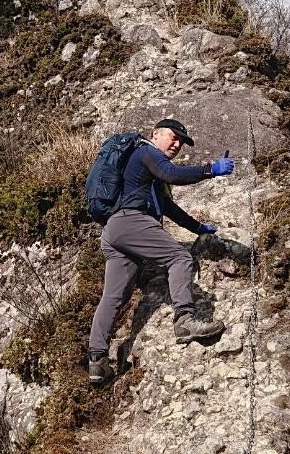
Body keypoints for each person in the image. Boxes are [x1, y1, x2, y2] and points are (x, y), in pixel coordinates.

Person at [87, 118, 235, 384]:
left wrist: (197, 227)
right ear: (155, 134)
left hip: (115, 231)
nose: (177, 144)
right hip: (132, 222)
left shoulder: (147, 172)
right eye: (173, 137)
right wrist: (211, 169)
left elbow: (167, 207)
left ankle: (97, 361)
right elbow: (173, 174)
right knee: (180, 257)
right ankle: (185, 320)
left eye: (181, 142)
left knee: (114, 295)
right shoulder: (147, 151)